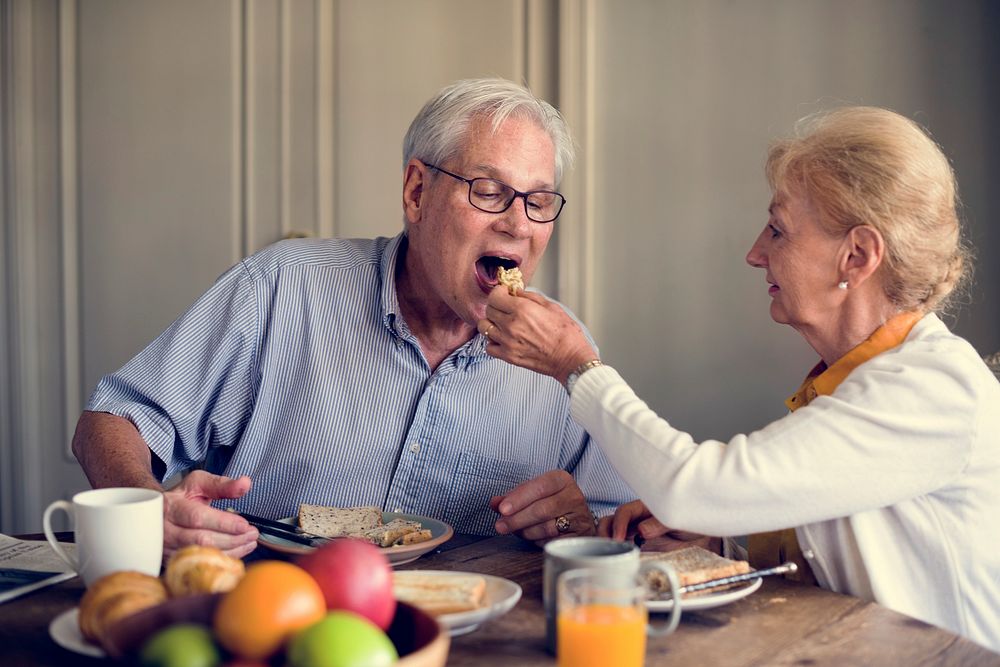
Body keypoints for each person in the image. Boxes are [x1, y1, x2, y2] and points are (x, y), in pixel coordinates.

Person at [481, 106, 1000, 650]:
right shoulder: (858, 377)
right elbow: (840, 562)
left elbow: (696, 486)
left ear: (858, 255)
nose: (755, 253)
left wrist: (576, 365)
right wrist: (715, 538)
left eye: (778, 230)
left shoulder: (932, 389)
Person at [71, 78, 634, 559]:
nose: (518, 223)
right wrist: (147, 509)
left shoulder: (567, 352)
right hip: (272, 619)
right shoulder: (282, 286)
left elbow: (615, 533)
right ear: (417, 192)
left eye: (538, 202)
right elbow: (111, 420)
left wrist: (576, 526)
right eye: (489, 192)